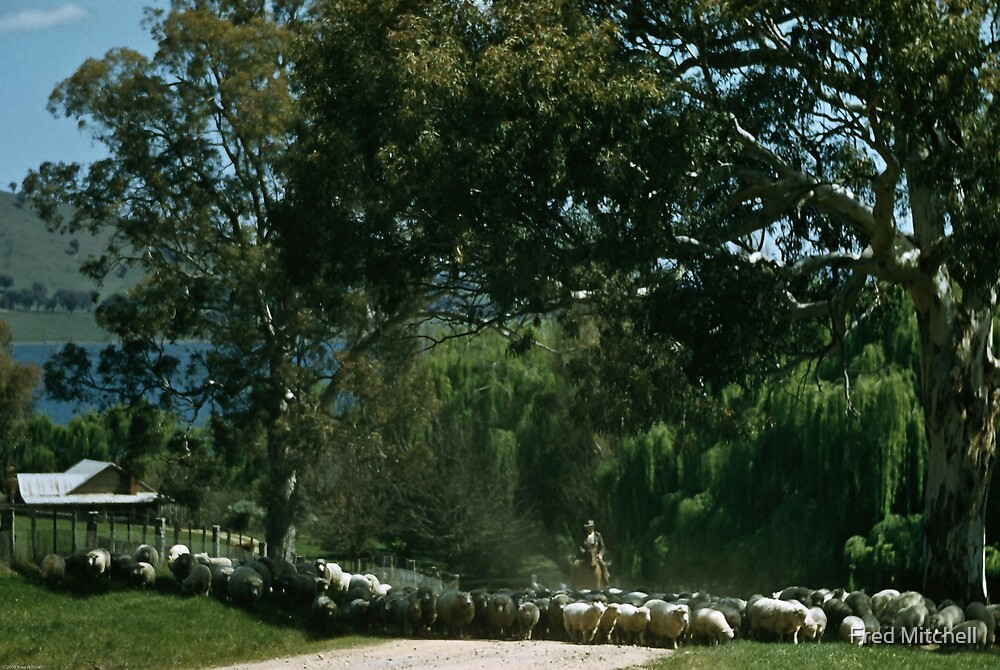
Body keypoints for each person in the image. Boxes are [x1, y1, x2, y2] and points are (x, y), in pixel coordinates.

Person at [579, 519, 610, 586]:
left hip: (596, 554)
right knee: (576, 564)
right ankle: (577, 581)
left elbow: (602, 546)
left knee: (603, 564)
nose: (589, 529)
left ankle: (605, 581)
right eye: (587, 527)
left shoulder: (598, 535)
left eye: (590, 527)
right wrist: (584, 552)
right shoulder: (583, 535)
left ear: (593, 527)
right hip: (586, 554)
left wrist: (600, 554)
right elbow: (580, 546)